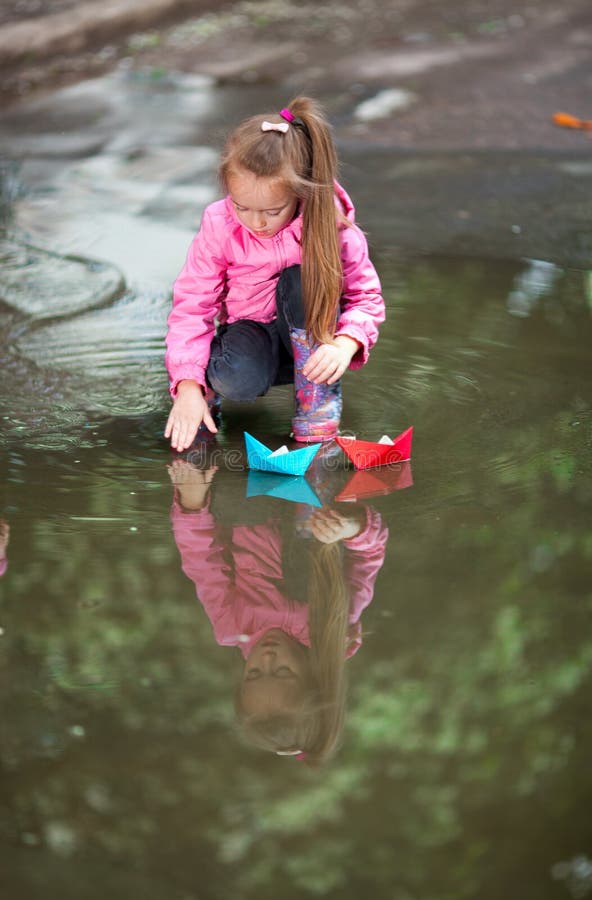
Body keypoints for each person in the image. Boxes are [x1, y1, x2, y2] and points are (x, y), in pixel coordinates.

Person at [164, 96, 385, 452]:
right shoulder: (219, 226)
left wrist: (346, 344)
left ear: (299, 193)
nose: (256, 222)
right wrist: (188, 386)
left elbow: (366, 298)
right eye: (242, 207)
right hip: (251, 335)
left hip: (314, 340)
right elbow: (193, 307)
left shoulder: (332, 225)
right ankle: (205, 392)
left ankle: (316, 402)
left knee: (301, 280)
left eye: (271, 210)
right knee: (235, 380)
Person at [168, 460, 389, 767]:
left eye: (254, 673)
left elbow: (201, 561)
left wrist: (192, 506)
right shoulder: (333, 622)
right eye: (283, 671)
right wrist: (351, 528)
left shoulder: (232, 625)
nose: (267, 657)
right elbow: (372, 550)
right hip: (313, 487)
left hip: (247, 490)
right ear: (313, 676)